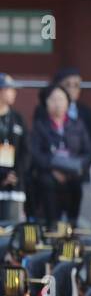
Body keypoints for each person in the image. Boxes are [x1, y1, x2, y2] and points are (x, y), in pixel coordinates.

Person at [28, 84, 91, 225]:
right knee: (46, 182)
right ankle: (51, 225)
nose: (57, 104)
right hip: (49, 172)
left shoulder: (77, 125)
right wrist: (53, 168)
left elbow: (87, 152)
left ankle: (73, 224)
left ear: (68, 103)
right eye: (53, 100)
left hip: (74, 173)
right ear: (46, 103)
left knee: (78, 186)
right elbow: (35, 153)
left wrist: (74, 169)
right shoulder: (40, 126)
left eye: (61, 99)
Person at [0, 72, 28, 223]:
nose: (14, 92)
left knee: (11, 230)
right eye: (9, 89)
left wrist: (15, 173)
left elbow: (26, 150)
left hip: (14, 184)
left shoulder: (18, 118)